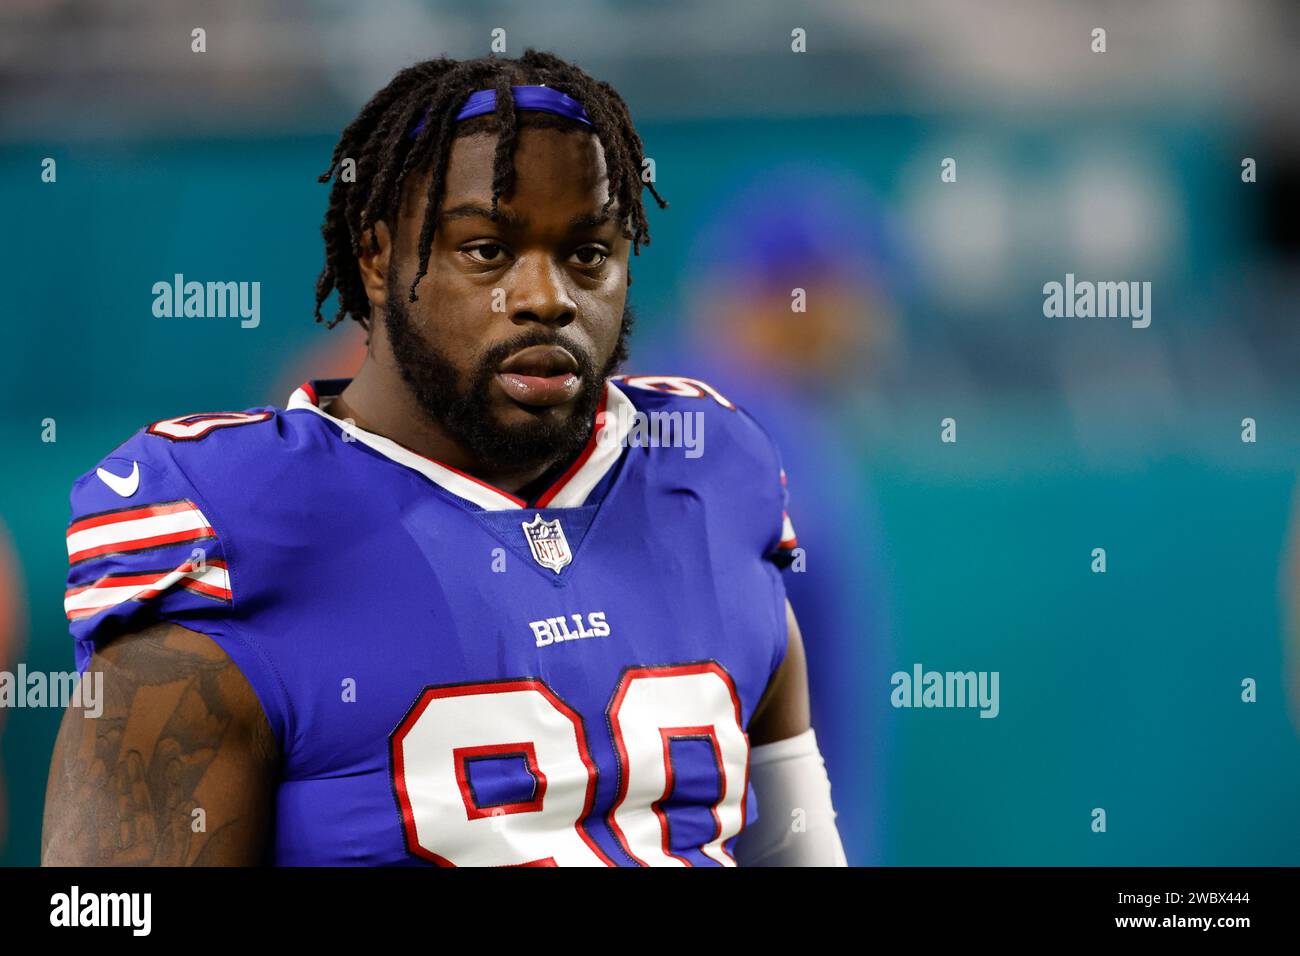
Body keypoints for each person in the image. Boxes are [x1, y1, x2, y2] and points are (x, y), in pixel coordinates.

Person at [43, 51, 845, 866]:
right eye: (487, 250)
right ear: (378, 257)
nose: (547, 297)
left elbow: (797, 848)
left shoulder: (707, 475)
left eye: (589, 254)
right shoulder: (238, 528)